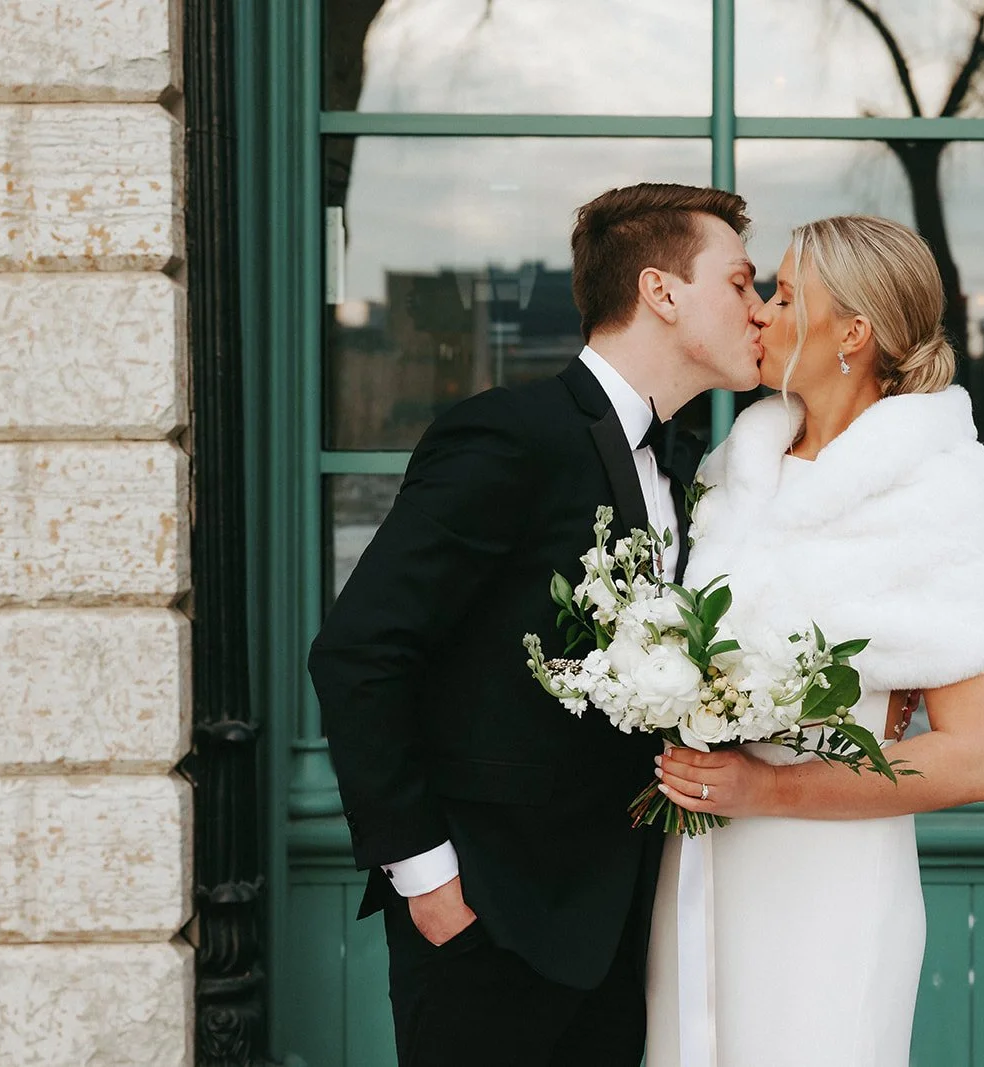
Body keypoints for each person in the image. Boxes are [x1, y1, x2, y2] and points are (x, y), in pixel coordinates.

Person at [307, 182, 764, 1067]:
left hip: (623, 932)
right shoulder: (509, 435)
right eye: (740, 282)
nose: (758, 306)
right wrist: (428, 880)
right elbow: (361, 651)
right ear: (661, 292)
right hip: (491, 921)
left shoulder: (681, 467)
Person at [644, 215, 984, 1067]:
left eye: (785, 296)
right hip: (700, 864)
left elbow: (977, 759)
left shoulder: (941, 487)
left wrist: (769, 788)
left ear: (853, 333)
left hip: (832, 878)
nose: (760, 311)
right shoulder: (735, 469)